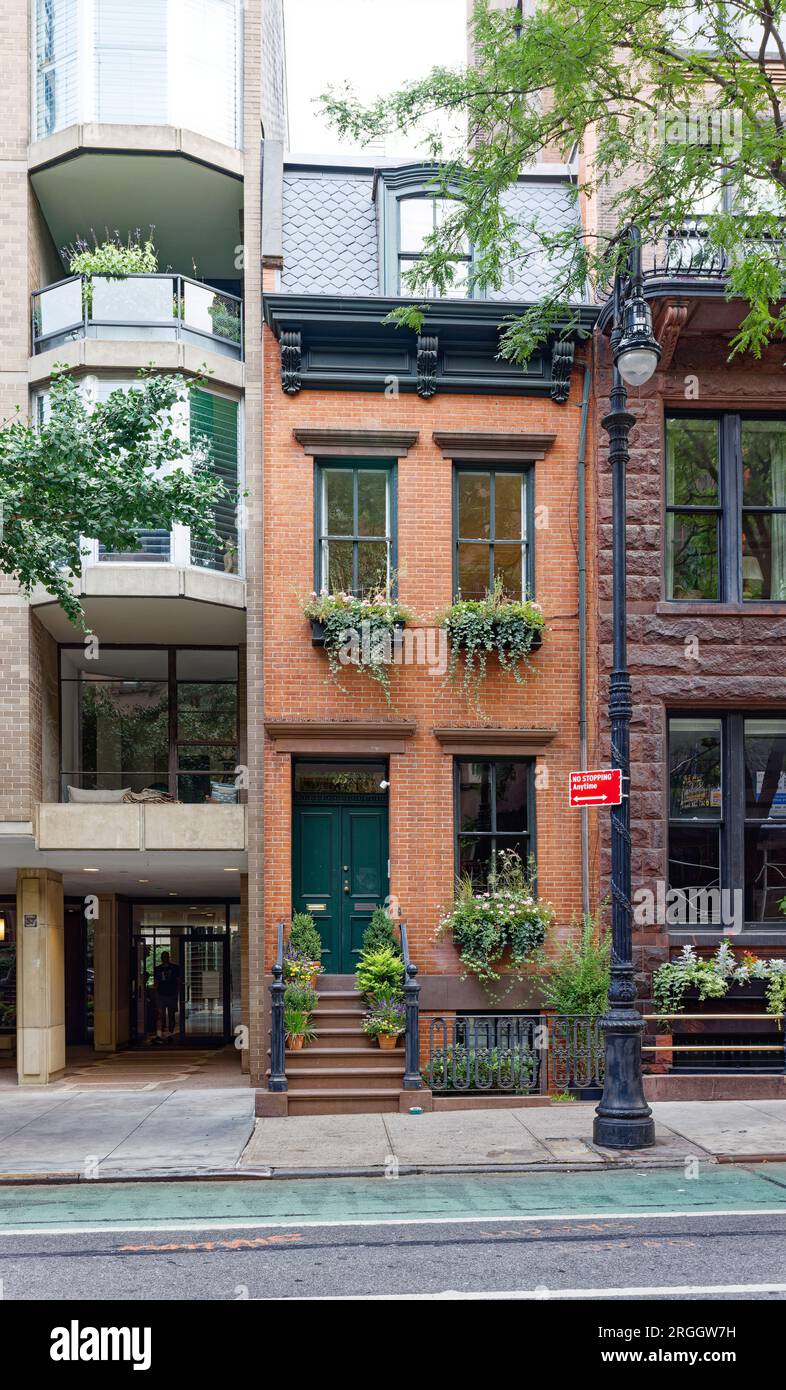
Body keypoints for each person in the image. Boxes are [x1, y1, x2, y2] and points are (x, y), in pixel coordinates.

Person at [153, 951, 181, 1043]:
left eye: (166, 956)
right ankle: (159, 1035)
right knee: (160, 1015)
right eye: (163, 956)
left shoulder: (175, 968)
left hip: (171, 994)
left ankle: (170, 1034)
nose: (164, 958)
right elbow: (156, 983)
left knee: (171, 1015)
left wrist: (177, 994)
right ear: (161, 958)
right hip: (161, 994)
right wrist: (155, 995)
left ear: (168, 957)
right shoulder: (157, 969)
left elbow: (178, 981)